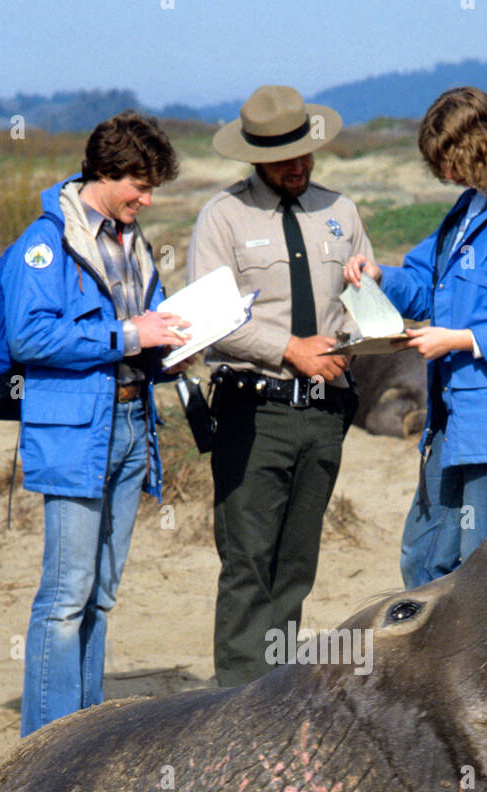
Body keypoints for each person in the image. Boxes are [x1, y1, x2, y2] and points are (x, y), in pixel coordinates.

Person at [4, 110, 191, 736]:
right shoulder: (45, 241)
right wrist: (131, 332)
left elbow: (150, 324)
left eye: (152, 186)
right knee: (64, 599)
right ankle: (45, 748)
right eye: (139, 184)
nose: (147, 197)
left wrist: (177, 339)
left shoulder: (129, 241)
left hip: (134, 423)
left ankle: (81, 738)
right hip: (76, 433)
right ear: (104, 172)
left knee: (100, 597)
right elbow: (29, 335)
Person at [345, 86, 487, 588]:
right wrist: (380, 276)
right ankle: (433, 665)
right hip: (452, 417)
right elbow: (423, 287)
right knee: (424, 556)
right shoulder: (467, 210)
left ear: (477, 149)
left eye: (450, 161)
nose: (445, 174)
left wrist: (457, 340)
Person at [187, 85, 370, 687]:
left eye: (304, 153)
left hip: (323, 415)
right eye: (282, 158)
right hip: (253, 413)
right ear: (253, 156)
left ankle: (272, 700)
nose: (297, 166)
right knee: (248, 566)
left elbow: (360, 304)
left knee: (295, 567)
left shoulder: (341, 211)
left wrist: (364, 314)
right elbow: (208, 324)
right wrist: (289, 349)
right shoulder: (223, 216)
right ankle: (234, 712)